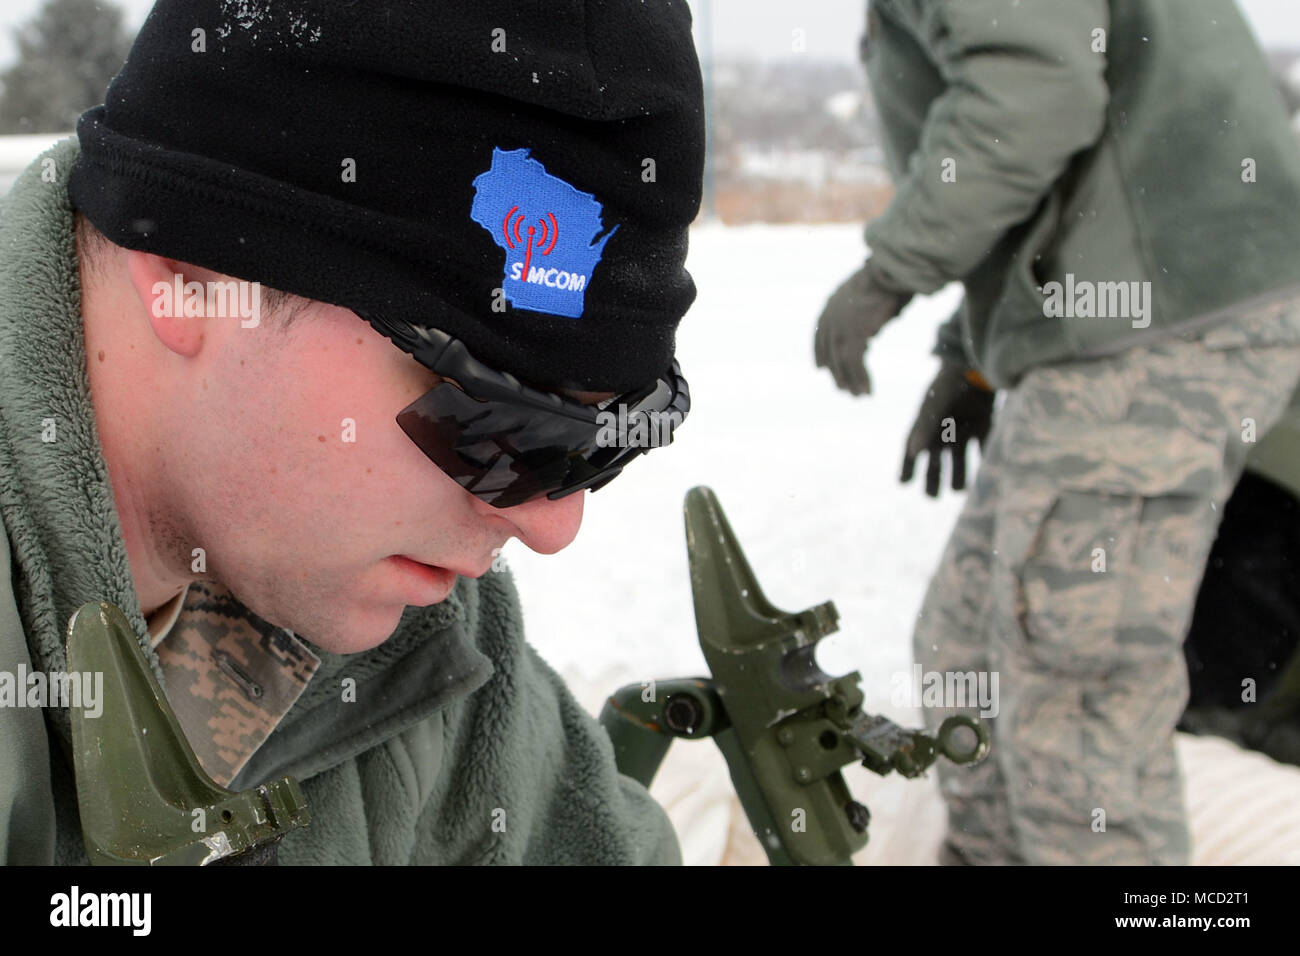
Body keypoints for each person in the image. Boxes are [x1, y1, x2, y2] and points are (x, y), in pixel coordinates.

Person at [0, 0, 703, 865]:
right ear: (187, 269)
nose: (553, 525)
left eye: (609, 441)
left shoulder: (416, 640)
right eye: (503, 421)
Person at [814, 0, 1300, 864]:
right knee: (967, 652)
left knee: (1072, 689)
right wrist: (967, 358)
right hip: (1112, 324)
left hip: (1162, 321)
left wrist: (891, 271)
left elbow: (1034, 89)